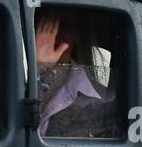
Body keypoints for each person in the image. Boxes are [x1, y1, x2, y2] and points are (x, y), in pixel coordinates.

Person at [35, 8, 121, 139]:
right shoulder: (4, 80)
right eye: (46, 25)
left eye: (64, 24)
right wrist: (38, 67)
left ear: (77, 34)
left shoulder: (99, 102)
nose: (52, 35)